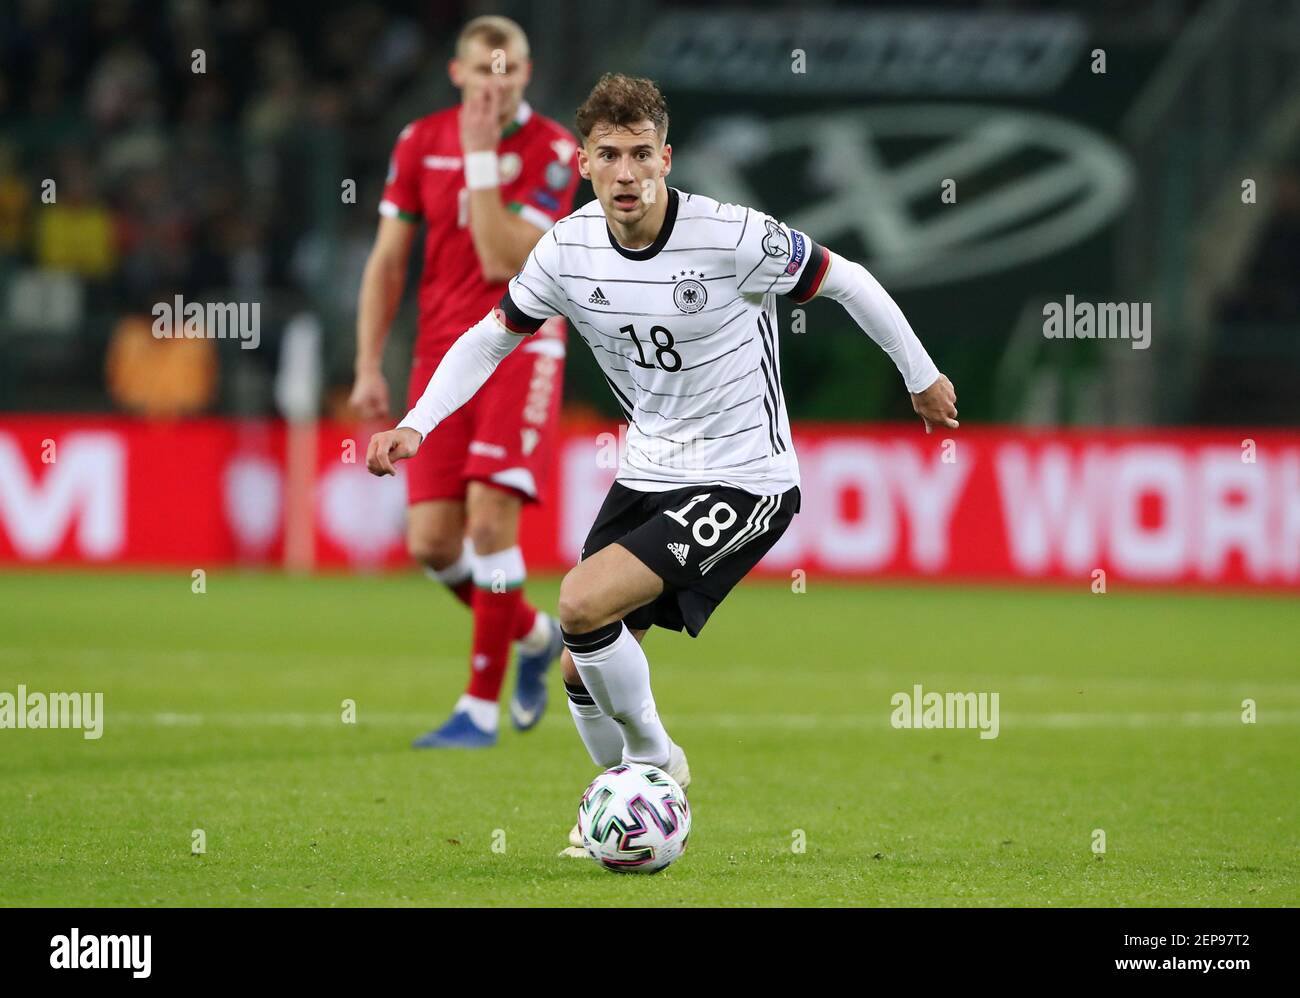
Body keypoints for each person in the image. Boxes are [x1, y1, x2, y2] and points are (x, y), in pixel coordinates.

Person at [365, 73, 958, 853]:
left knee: (578, 606)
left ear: (667, 158)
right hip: (647, 473)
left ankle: (657, 763)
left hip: (745, 477)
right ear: (583, 164)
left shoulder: (731, 237)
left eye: (641, 153)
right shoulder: (567, 249)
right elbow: (490, 336)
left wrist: (921, 376)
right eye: (609, 155)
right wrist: (418, 423)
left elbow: (846, 278)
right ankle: (612, 807)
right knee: (582, 674)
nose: (626, 173)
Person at [350, 16, 580, 748]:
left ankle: (478, 710)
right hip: (440, 353)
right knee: (431, 542)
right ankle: (537, 636)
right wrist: (366, 364)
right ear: (458, 73)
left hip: (521, 346)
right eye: (484, 69)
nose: (496, 81)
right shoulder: (419, 141)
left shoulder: (557, 151)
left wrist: (480, 162)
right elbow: (389, 260)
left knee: (488, 523)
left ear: (528, 72)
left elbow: (496, 255)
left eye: (508, 69)